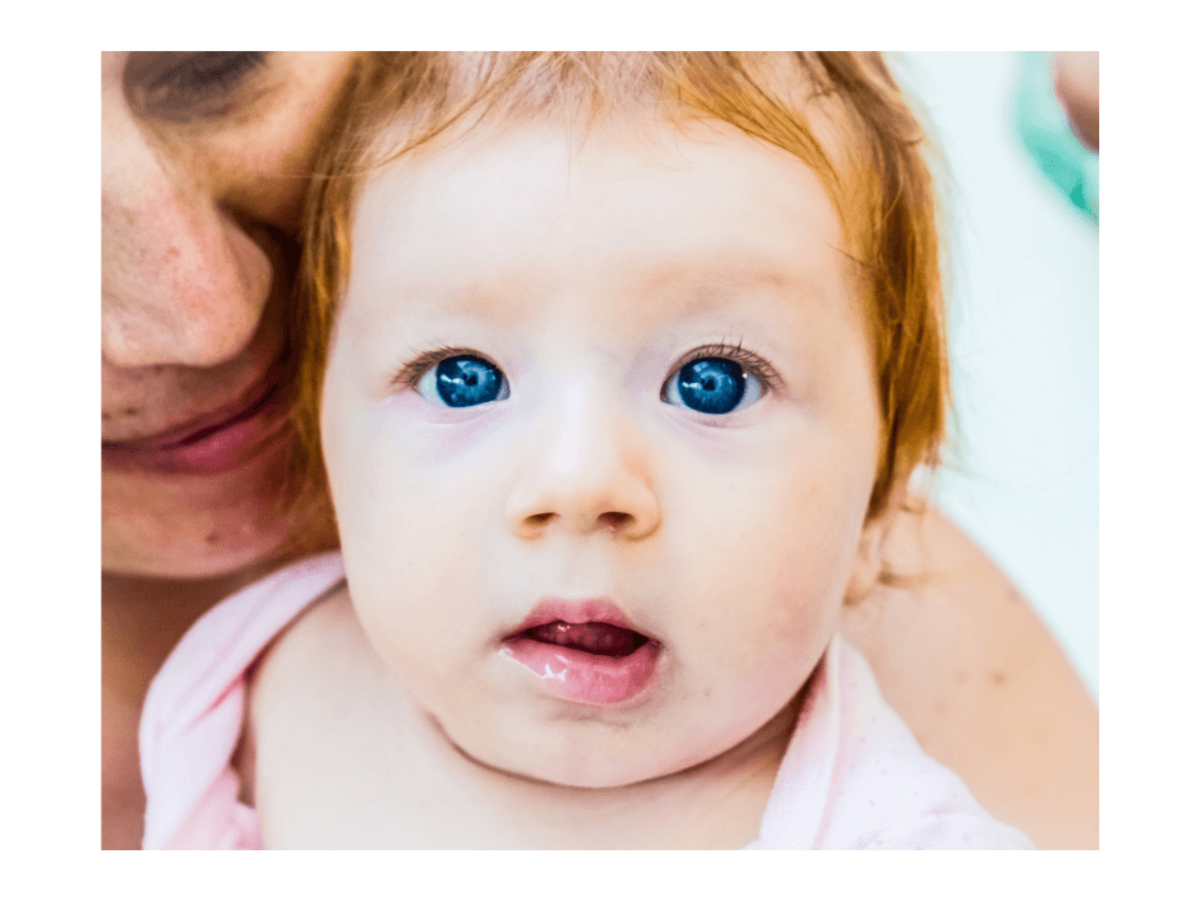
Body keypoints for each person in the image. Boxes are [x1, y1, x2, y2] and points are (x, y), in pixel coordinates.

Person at [102, 52, 1098, 850]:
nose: (578, 484)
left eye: (712, 381)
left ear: (885, 506)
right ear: (329, 440)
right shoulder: (249, 692)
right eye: (463, 379)